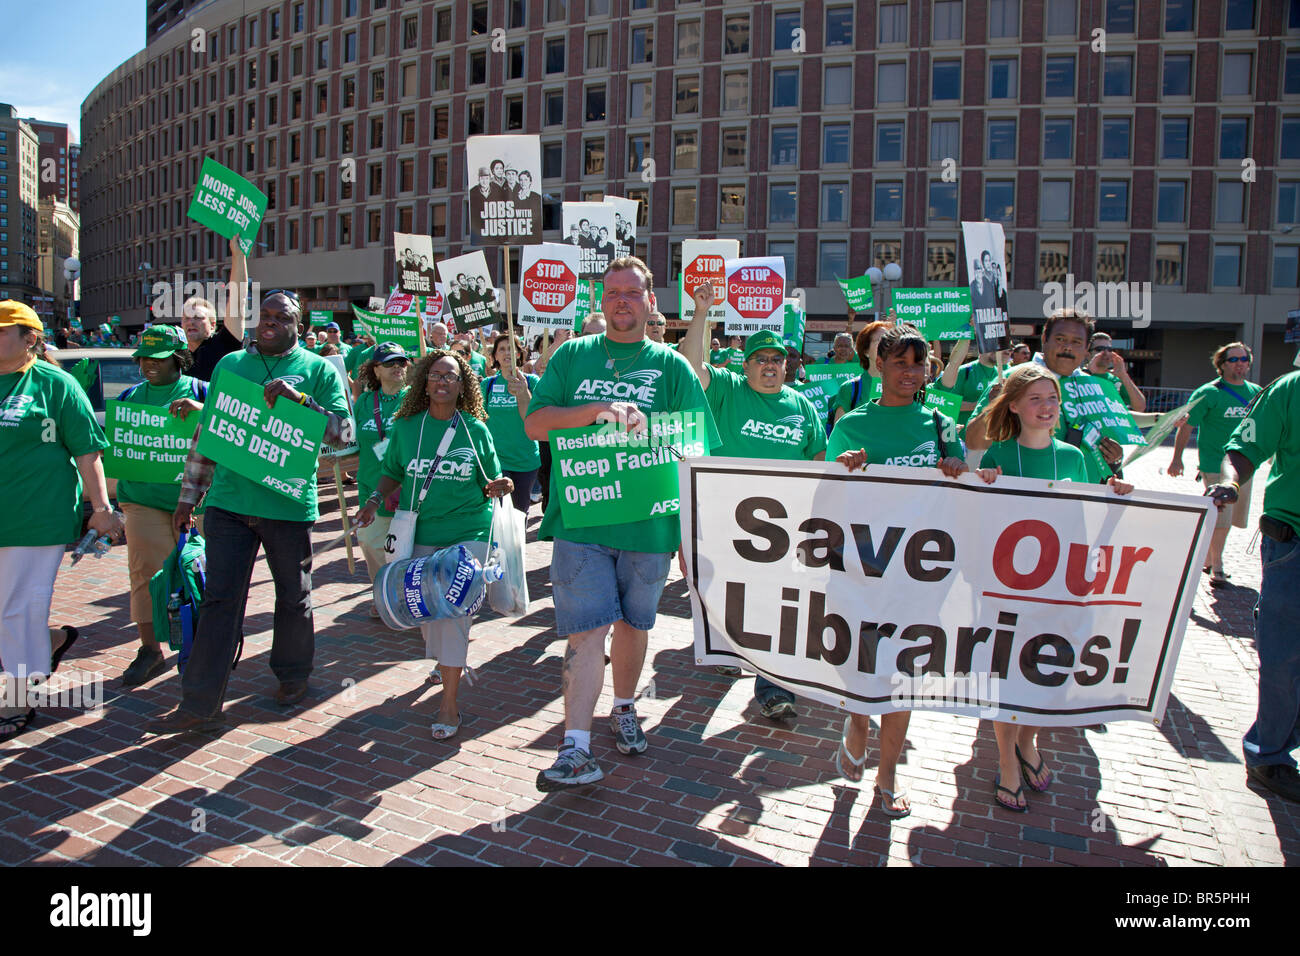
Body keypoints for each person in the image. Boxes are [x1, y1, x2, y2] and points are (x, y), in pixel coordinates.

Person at [525, 257, 718, 790]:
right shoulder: (572, 357)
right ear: (601, 300)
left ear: (652, 301)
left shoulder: (674, 367)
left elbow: (697, 451)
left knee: (635, 626)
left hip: (650, 528)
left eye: (633, 292)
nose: (622, 301)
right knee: (586, 634)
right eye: (612, 293)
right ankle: (575, 748)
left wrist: (688, 534)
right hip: (582, 523)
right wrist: (595, 409)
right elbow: (536, 424)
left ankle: (626, 705)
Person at [146, 290, 353, 734]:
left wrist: (302, 402)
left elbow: (343, 435)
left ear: (300, 325)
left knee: (293, 597)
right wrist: (189, 496)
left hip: (287, 504)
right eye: (266, 314)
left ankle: (293, 674)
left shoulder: (318, 370)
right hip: (228, 503)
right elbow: (209, 432)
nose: (271, 321)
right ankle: (200, 701)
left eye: (283, 317)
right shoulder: (229, 365)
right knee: (220, 600)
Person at [825, 323, 980, 816]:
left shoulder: (941, 423)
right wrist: (844, 470)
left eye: (919, 364)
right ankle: (856, 725)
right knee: (861, 667)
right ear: (878, 365)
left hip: (920, 576)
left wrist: (958, 469)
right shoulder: (850, 424)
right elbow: (824, 500)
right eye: (900, 363)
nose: (910, 373)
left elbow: (962, 485)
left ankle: (887, 775)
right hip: (863, 573)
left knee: (904, 673)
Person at [975, 364, 1132, 810]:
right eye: (1036, 399)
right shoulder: (997, 457)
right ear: (1015, 406)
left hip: (1060, 586)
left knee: (1045, 671)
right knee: (1007, 675)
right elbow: (981, 521)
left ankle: (1029, 742)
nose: (1046, 408)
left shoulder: (1076, 457)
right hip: (1008, 587)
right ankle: (1007, 759)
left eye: (1053, 399)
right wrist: (985, 486)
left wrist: (1115, 491)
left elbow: (1088, 518)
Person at [680, 287, 826, 720]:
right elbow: (691, 367)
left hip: (782, 530)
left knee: (776, 604)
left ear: (787, 366)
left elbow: (818, 458)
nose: (769, 366)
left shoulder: (802, 406)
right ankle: (727, 646)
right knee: (725, 595)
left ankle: (773, 687)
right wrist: (703, 312)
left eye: (777, 360)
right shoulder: (726, 388)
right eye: (760, 359)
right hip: (726, 519)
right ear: (745, 367)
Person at [355, 351, 512, 739]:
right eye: (436, 375)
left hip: (468, 532)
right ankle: (443, 662)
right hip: (419, 532)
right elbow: (392, 472)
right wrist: (374, 501)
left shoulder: (475, 429)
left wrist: (501, 484)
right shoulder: (407, 427)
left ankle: (449, 704)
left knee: (453, 610)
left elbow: (492, 478)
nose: (443, 382)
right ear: (424, 382)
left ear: (463, 386)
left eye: (451, 377)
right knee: (425, 612)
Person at [0, 302, 122, 739]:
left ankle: (18, 697)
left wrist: (102, 509)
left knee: (17, 607)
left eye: (2, 332)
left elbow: (88, 452)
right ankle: (47, 642)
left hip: (37, 517)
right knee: (11, 610)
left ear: (29, 338)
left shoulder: (57, 385)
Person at [1209, 370, 1300, 802]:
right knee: (1283, 659)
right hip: (1292, 546)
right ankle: (1269, 756)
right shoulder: (1291, 388)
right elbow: (1242, 449)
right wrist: (1230, 482)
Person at [116, 326, 209, 685]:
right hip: (142, 501)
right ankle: (150, 650)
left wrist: (201, 410)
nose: (149, 365)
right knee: (145, 575)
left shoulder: (203, 391)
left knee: (199, 574)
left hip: (197, 502)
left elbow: (231, 429)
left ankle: (202, 645)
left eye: (159, 358)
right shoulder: (128, 398)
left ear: (179, 358)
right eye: (143, 358)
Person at [964, 308, 1125, 484]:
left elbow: (1108, 446)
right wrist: (993, 407)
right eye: (1060, 339)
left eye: (1076, 341)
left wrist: (1115, 458)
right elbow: (973, 442)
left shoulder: (1094, 389)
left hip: (1081, 499)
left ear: (1087, 349)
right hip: (1023, 498)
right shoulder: (1013, 378)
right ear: (1044, 339)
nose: (1067, 347)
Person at [1169, 342, 1262, 586]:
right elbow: (1187, 426)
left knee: (1230, 519)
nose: (1240, 363)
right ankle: (1217, 567)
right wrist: (1177, 458)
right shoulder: (1208, 393)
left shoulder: (1256, 392)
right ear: (1221, 364)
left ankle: (1209, 560)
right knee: (1222, 516)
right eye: (1233, 359)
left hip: (1244, 463)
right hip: (1214, 464)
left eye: (1244, 359)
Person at [351, 343, 412, 613]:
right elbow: (349, 439)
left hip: (407, 488)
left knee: (405, 546)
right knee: (370, 542)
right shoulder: (364, 402)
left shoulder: (416, 399)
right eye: (389, 363)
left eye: (402, 362)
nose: (397, 367)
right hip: (370, 486)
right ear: (375, 370)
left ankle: (403, 596)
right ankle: (383, 592)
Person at [480, 332, 540, 515]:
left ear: (519, 354)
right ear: (495, 355)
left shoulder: (532, 382)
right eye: (502, 349)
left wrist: (523, 393)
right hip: (496, 461)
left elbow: (534, 419)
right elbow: (480, 421)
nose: (507, 353)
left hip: (526, 460)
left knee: (519, 513)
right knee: (497, 513)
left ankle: (517, 544)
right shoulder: (487, 385)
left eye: (511, 349)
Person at [184, 239, 248, 383]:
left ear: (213, 325)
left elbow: (238, 301)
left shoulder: (224, 344)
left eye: (198, 317)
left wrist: (238, 255)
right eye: (186, 318)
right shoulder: (174, 357)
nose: (191, 322)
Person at [830, 320, 891, 426]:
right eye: (879, 341)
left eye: (890, 341)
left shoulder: (902, 386)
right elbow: (839, 434)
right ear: (866, 351)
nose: (886, 346)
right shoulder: (850, 388)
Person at [1086, 333, 1146, 412]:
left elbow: (1140, 407)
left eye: (1110, 349)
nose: (1106, 353)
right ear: (1088, 354)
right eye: (1100, 349)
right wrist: (1089, 373)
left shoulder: (1116, 379)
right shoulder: (1077, 375)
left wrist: (1124, 375)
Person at [785, 346, 831, 431]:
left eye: (792, 356)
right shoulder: (764, 388)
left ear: (800, 363)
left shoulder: (806, 389)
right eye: (783, 355)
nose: (787, 359)